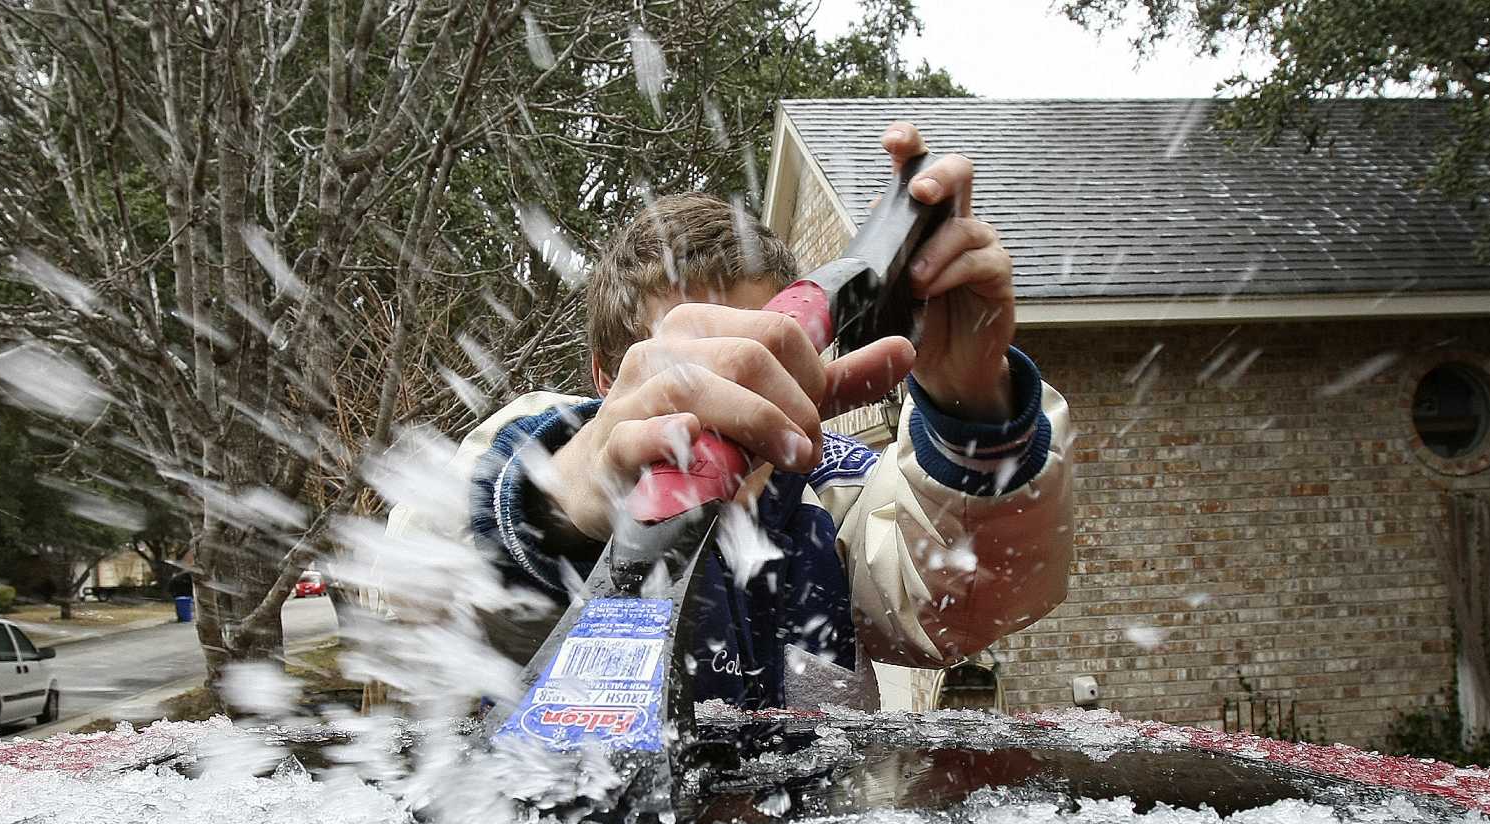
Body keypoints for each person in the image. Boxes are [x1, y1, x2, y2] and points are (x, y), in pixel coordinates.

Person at [418, 122, 1072, 710]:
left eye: (763, 362)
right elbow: (419, 578)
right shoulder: (524, 453)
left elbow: (969, 601)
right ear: (606, 379)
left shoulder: (833, 492)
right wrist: (561, 505)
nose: (730, 397)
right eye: (689, 368)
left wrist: (973, 406)